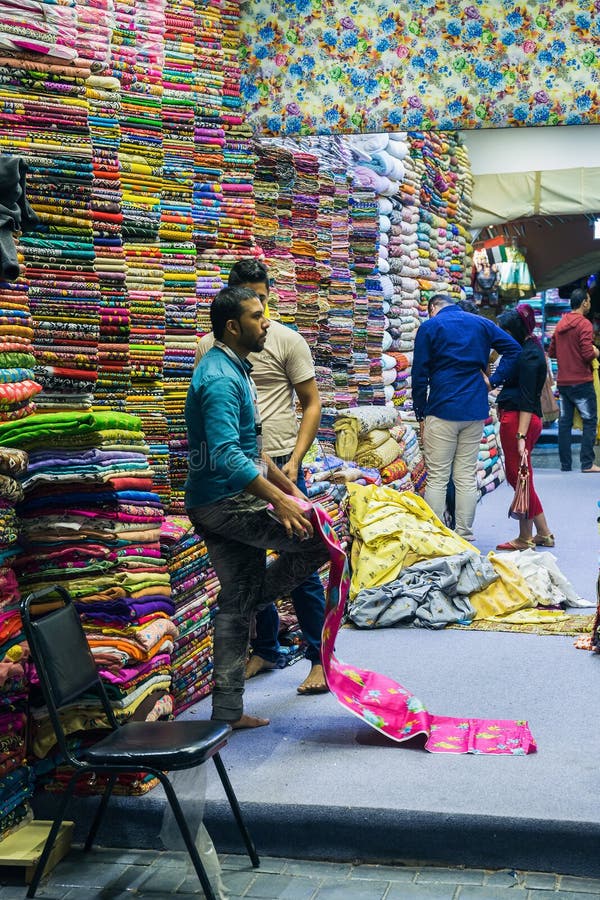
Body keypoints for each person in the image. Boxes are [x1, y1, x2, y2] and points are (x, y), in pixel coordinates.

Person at [185, 286, 329, 729]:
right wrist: (282, 503)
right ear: (233, 326)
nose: (266, 323)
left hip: (225, 499)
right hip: (226, 504)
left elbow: (253, 450)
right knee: (317, 543)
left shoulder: (235, 368)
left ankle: (227, 712)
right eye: (256, 316)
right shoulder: (220, 379)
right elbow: (227, 456)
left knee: (235, 606)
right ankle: (247, 602)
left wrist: (293, 492)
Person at [412, 294, 521, 541]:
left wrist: (420, 413)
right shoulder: (481, 324)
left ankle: (437, 536)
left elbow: (419, 375)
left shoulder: (430, 327)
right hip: (474, 408)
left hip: (442, 408)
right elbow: (514, 349)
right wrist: (493, 381)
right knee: (465, 475)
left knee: (438, 476)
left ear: (433, 308)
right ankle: (464, 532)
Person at [493, 306, 554, 550]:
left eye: (505, 332)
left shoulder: (529, 355)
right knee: (521, 476)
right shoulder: (528, 349)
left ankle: (525, 537)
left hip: (520, 420)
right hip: (520, 418)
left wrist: (520, 435)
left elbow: (528, 398)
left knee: (520, 477)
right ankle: (544, 533)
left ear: (514, 330)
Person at [548, 287, 600, 473]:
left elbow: (552, 352)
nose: (590, 304)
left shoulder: (561, 323)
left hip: (563, 382)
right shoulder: (584, 324)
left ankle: (565, 465)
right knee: (590, 420)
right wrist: (595, 351)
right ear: (584, 303)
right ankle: (587, 463)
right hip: (581, 381)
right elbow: (587, 353)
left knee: (564, 423)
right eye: (589, 301)